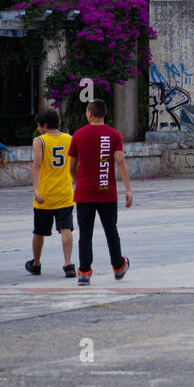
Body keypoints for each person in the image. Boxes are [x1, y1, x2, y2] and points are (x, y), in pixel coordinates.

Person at [68, 99, 132, 286]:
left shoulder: (78, 135)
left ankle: (84, 272)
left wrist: (77, 179)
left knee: (85, 234)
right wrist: (128, 189)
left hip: (84, 193)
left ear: (89, 113)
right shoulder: (114, 135)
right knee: (111, 231)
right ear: (105, 113)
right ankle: (118, 266)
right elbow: (120, 161)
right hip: (107, 193)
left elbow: (71, 166)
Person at [27, 109, 76, 278]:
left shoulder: (39, 141)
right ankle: (68, 263)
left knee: (39, 232)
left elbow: (37, 165)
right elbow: (75, 164)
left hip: (45, 194)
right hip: (65, 193)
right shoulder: (69, 139)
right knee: (66, 228)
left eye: (39, 125)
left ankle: (36, 263)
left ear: (45, 125)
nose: (38, 129)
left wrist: (35, 189)